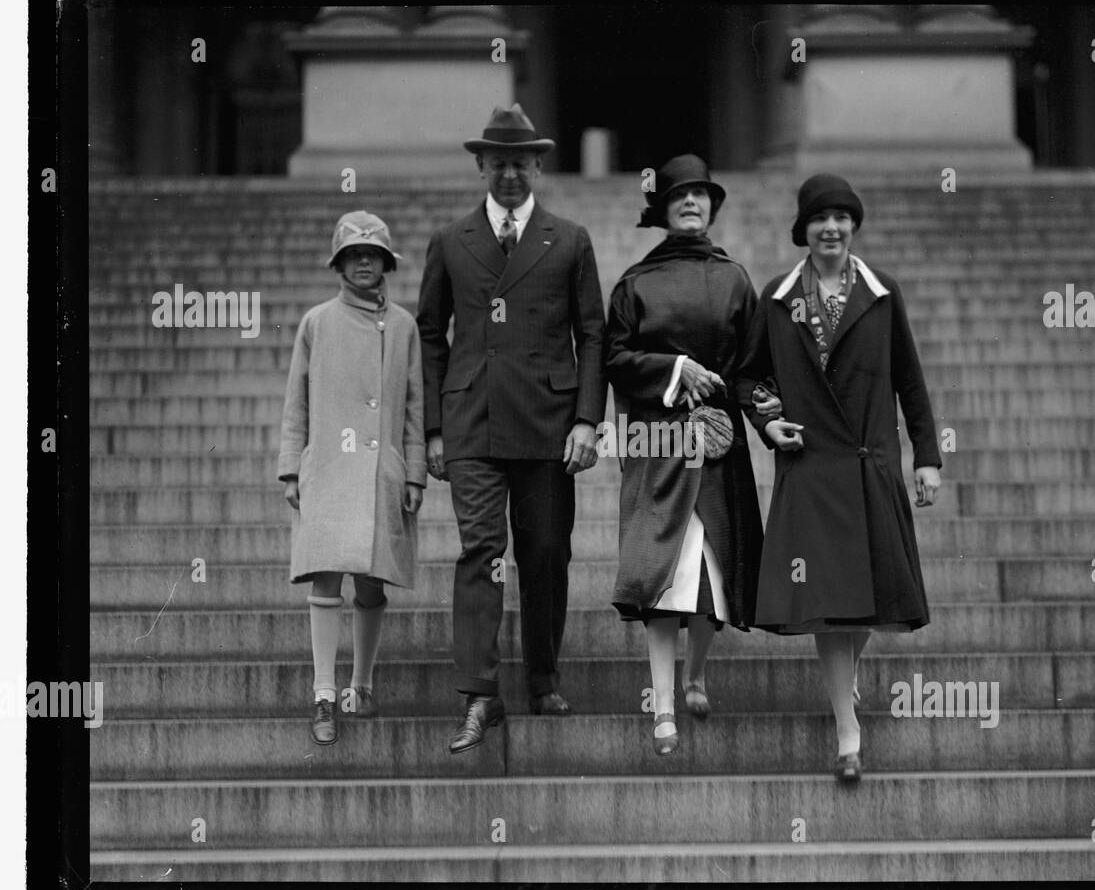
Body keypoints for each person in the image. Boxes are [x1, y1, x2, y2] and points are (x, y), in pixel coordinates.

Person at [736, 174, 942, 782]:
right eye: (820, 219)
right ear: (804, 229)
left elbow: (910, 379)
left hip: (869, 462)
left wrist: (926, 456)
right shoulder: (777, 297)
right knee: (830, 607)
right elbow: (749, 378)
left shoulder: (881, 294)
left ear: (853, 227)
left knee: (866, 601)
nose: (831, 228)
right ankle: (847, 731)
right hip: (810, 467)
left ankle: (845, 686)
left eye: (841, 218)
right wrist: (768, 423)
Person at [417, 104, 606, 754]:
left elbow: (593, 333)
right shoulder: (450, 241)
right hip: (472, 421)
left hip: (549, 424)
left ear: (537, 165)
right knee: (479, 552)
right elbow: (429, 334)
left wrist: (588, 418)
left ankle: (544, 675)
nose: (508, 174)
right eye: (497, 163)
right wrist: (434, 429)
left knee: (546, 551)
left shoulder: (570, 238)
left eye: (519, 163)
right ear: (481, 166)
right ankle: (478, 693)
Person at [606, 154, 773, 756]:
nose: (692, 203)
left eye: (701, 195)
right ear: (663, 210)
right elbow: (614, 359)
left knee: (711, 574)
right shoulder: (634, 284)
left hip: (718, 440)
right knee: (663, 575)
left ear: (712, 207)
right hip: (658, 444)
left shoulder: (735, 280)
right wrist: (675, 369)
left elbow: (754, 367)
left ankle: (697, 670)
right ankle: (664, 709)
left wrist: (769, 422)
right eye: (680, 196)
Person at [278, 211, 426, 746]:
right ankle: (323, 691)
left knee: (371, 577)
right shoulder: (317, 322)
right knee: (326, 574)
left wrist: (413, 472)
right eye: (353, 254)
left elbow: (414, 405)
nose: (364, 262)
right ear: (338, 264)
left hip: (381, 469)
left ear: (386, 264)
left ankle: (360, 685)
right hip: (329, 469)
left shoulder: (405, 326)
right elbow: (297, 398)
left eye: (373, 255)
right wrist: (291, 466)